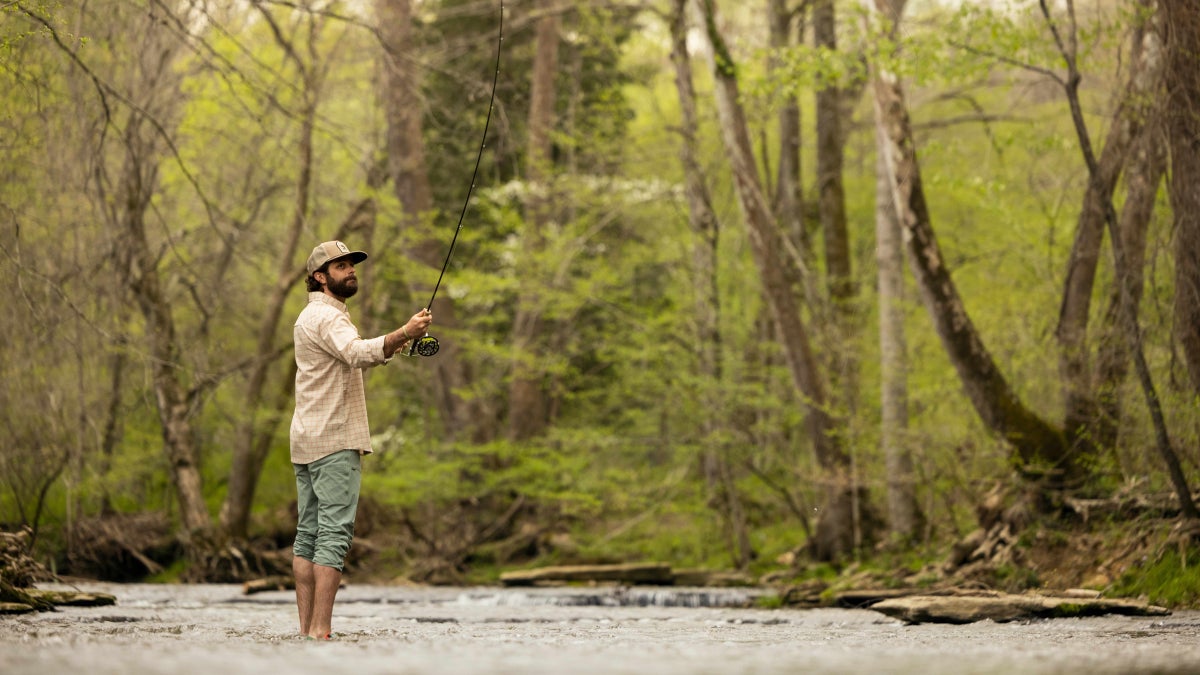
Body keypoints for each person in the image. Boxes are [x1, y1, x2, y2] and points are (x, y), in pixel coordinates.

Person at [289, 240, 432, 640]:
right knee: (332, 536)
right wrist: (405, 330)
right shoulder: (329, 318)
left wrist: (397, 342)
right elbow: (355, 353)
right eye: (340, 266)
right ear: (320, 276)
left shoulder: (308, 317)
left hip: (305, 440)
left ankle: (305, 632)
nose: (350, 270)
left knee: (307, 535)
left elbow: (354, 355)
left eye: (351, 264)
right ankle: (320, 631)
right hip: (334, 441)